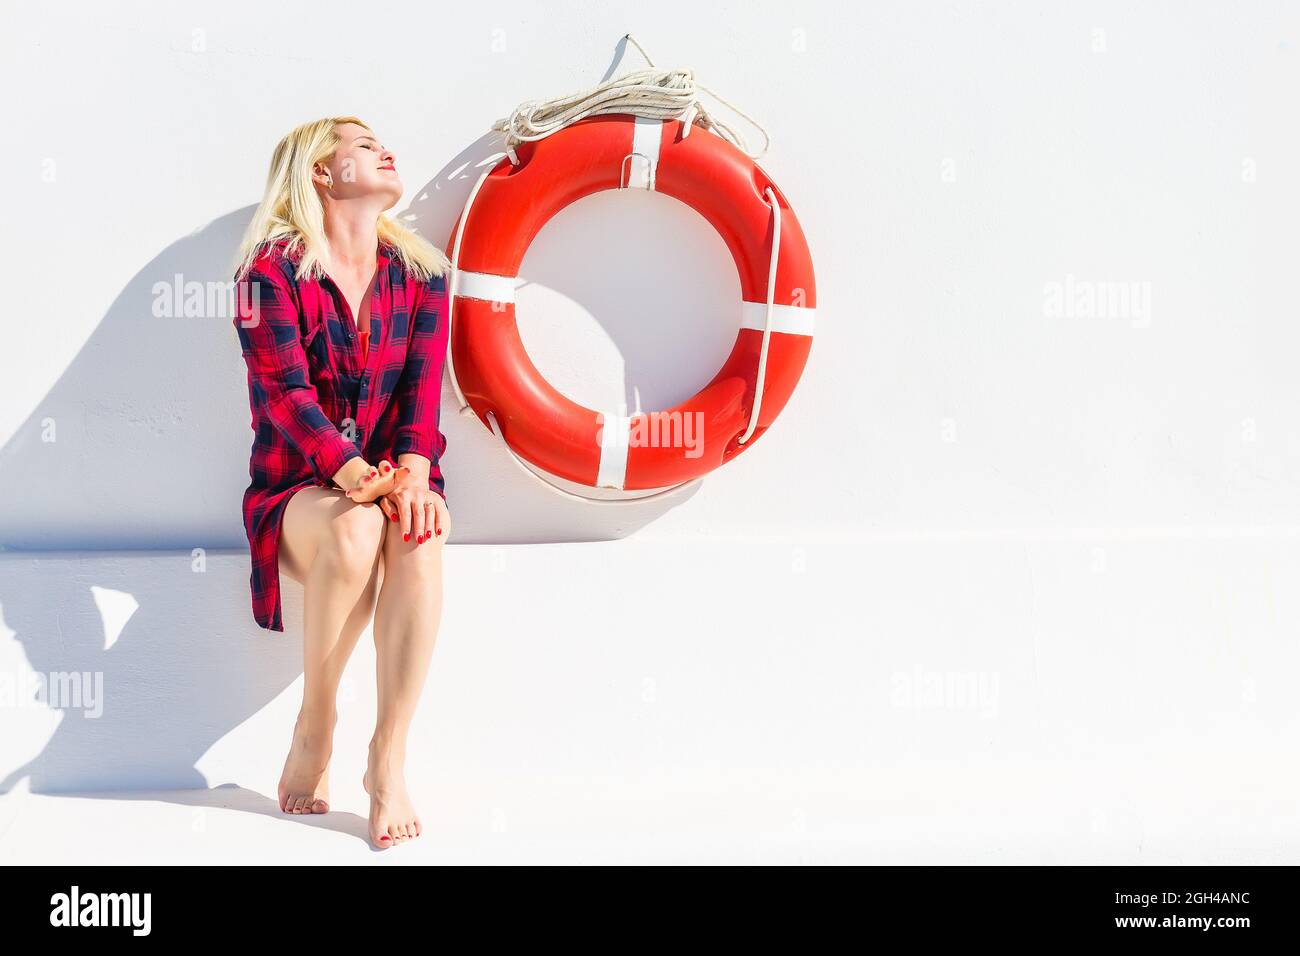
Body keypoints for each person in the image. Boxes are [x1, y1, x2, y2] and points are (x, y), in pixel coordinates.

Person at [232, 116, 452, 849]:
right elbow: (288, 399)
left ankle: (387, 759)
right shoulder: (264, 276)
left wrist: (412, 478)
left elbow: (421, 405)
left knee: (422, 531)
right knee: (357, 524)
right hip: (295, 493)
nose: (384, 148)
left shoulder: (423, 276)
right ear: (321, 174)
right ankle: (316, 722)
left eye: (381, 140)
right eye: (361, 144)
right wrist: (360, 477)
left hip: (391, 479)